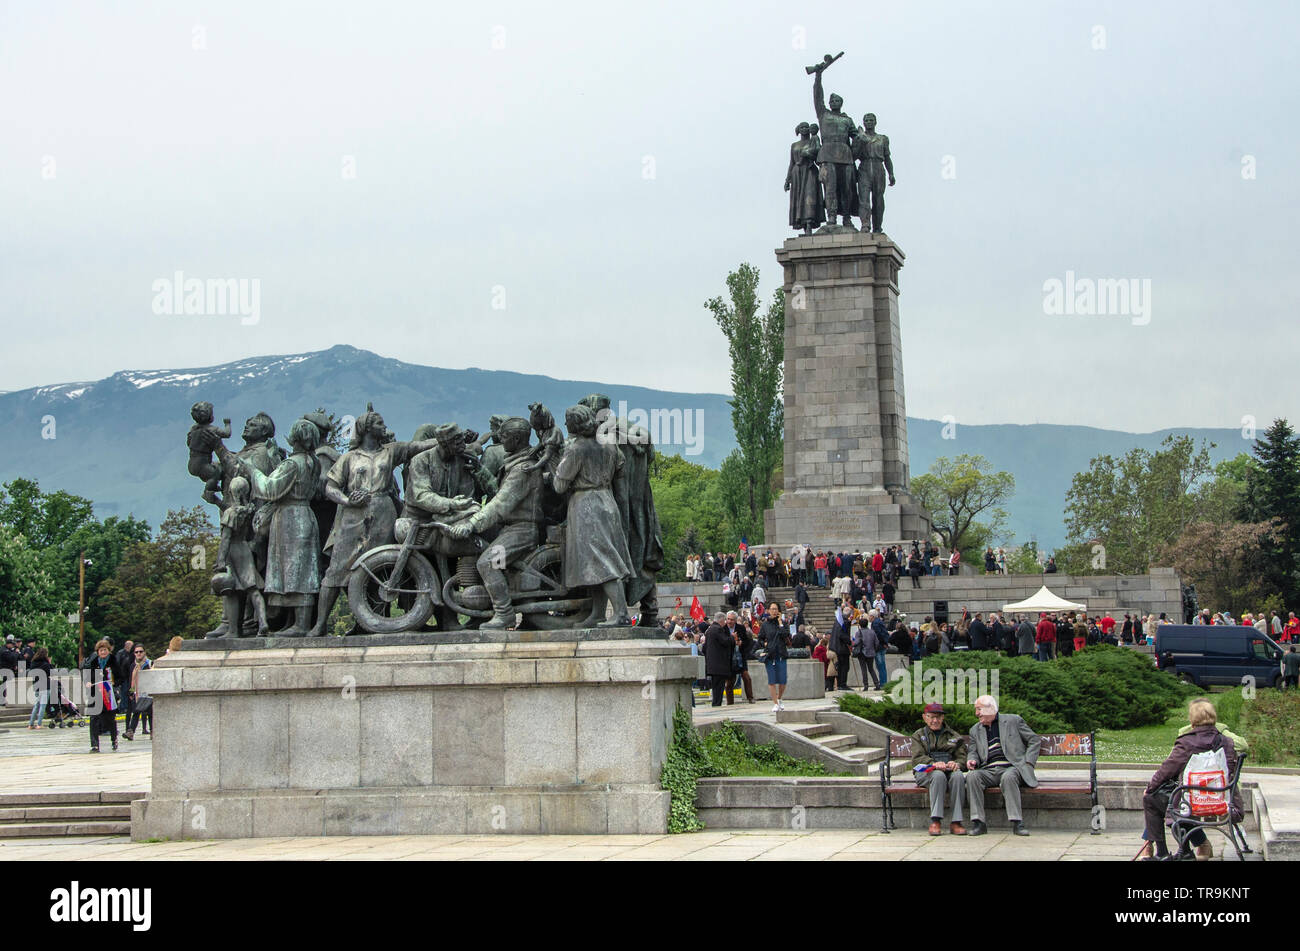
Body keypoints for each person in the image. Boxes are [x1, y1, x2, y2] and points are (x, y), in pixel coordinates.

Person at [1140, 698, 1242, 861]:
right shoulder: (1228, 742)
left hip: (1192, 801)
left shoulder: (1186, 742)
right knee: (1179, 799)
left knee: (1152, 798)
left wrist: (1150, 787)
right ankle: (1195, 846)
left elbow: (1166, 770)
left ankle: (1164, 852)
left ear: (1192, 719)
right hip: (1223, 800)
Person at [965, 694, 1040, 836]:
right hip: (989, 770)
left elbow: (1034, 740)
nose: (976, 713)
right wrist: (972, 760)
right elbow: (973, 751)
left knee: (1008, 777)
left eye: (979, 709)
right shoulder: (975, 730)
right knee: (972, 776)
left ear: (990, 708)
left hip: (1012, 767)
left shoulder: (1013, 720)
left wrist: (1029, 762)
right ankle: (978, 823)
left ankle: (1017, 822)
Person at [911, 704, 968, 835]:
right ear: (924, 718)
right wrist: (934, 764)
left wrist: (957, 764)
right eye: (931, 717)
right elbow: (917, 758)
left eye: (938, 717)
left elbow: (962, 758)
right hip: (926, 773)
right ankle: (935, 821)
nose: (934, 721)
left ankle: (956, 822)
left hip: (949, 772)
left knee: (958, 776)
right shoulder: (918, 735)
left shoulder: (954, 736)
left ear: (942, 718)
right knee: (938, 775)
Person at [82, 639, 126, 753]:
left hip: (108, 693)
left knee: (110, 718)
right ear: (97, 651)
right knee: (94, 718)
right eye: (101, 650)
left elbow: (120, 677)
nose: (103, 652)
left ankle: (114, 739)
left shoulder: (113, 661)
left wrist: (114, 683)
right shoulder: (93, 661)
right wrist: (87, 682)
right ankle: (95, 744)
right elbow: (86, 674)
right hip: (95, 692)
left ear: (109, 650)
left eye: (105, 650)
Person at [759, 603, 792, 712]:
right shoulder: (765, 625)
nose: (774, 611)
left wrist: (780, 623)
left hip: (781, 653)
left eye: (776, 609)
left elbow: (785, 635)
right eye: (772, 609)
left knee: (782, 680)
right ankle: (775, 703)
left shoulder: (783, 623)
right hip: (770, 654)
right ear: (768, 610)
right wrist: (764, 644)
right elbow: (760, 638)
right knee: (771, 680)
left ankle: (779, 698)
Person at [705, 613, 738, 707]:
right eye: (724, 620)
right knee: (719, 687)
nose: (725, 623)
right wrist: (732, 637)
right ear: (721, 620)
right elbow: (725, 641)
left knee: (716, 686)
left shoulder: (710, 630)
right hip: (719, 664)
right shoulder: (718, 629)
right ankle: (716, 704)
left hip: (712, 663)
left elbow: (704, 648)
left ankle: (716, 703)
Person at [124, 645, 152, 740]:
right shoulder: (133, 665)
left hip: (148, 692)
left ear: (145, 652)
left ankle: (153, 731)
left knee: (150, 712)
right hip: (137, 693)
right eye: (136, 652)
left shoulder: (149, 664)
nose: (139, 653)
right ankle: (131, 732)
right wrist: (131, 692)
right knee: (136, 711)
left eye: (141, 651)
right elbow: (131, 680)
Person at [27, 647, 52, 729]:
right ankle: (39, 724)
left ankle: (30, 724)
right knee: (42, 705)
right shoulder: (45, 663)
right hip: (45, 685)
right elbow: (50, 672)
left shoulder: (33, 662)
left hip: (36, 685)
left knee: (36, 705)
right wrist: (49, 663)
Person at [855, 615, 880, 690]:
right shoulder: (872, 632)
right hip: (871, 652)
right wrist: (874, 649)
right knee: (871, 669)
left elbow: (856, 642)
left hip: (862, 653)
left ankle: (866, 685)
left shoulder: (858, 632)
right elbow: (877, 642)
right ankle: (877, 684)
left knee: (864, 669)